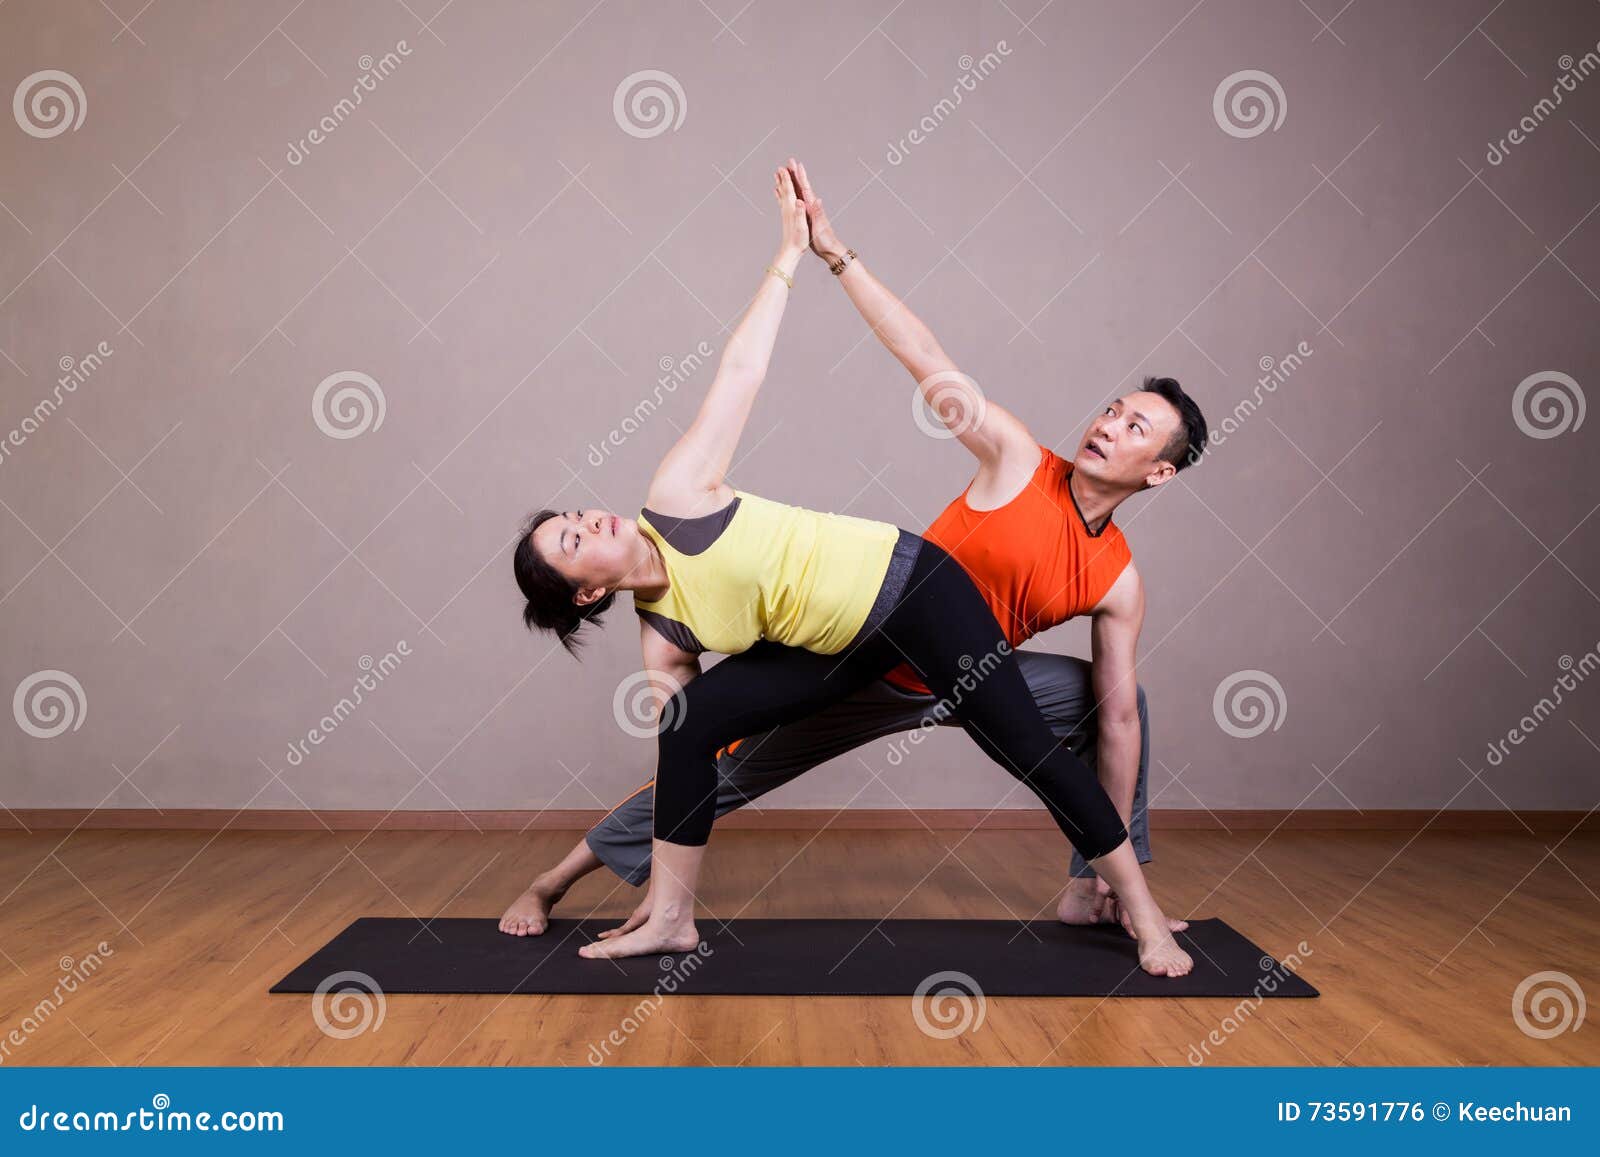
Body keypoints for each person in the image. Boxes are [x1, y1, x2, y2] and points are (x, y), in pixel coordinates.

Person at [510, 162, 1193, 975]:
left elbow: (740, 373)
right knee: (690, 735)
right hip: (854, 661)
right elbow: (926, 357)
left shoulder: (678, 493)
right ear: (588, 591)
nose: (1110, 424)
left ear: (1160, 471)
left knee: (1043, 746)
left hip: (920, 605)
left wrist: (799, 257)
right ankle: (655, 913)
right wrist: (836, 255)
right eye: (574, 539)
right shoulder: (1018, 459)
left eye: (1135, 425)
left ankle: (1131, 907)